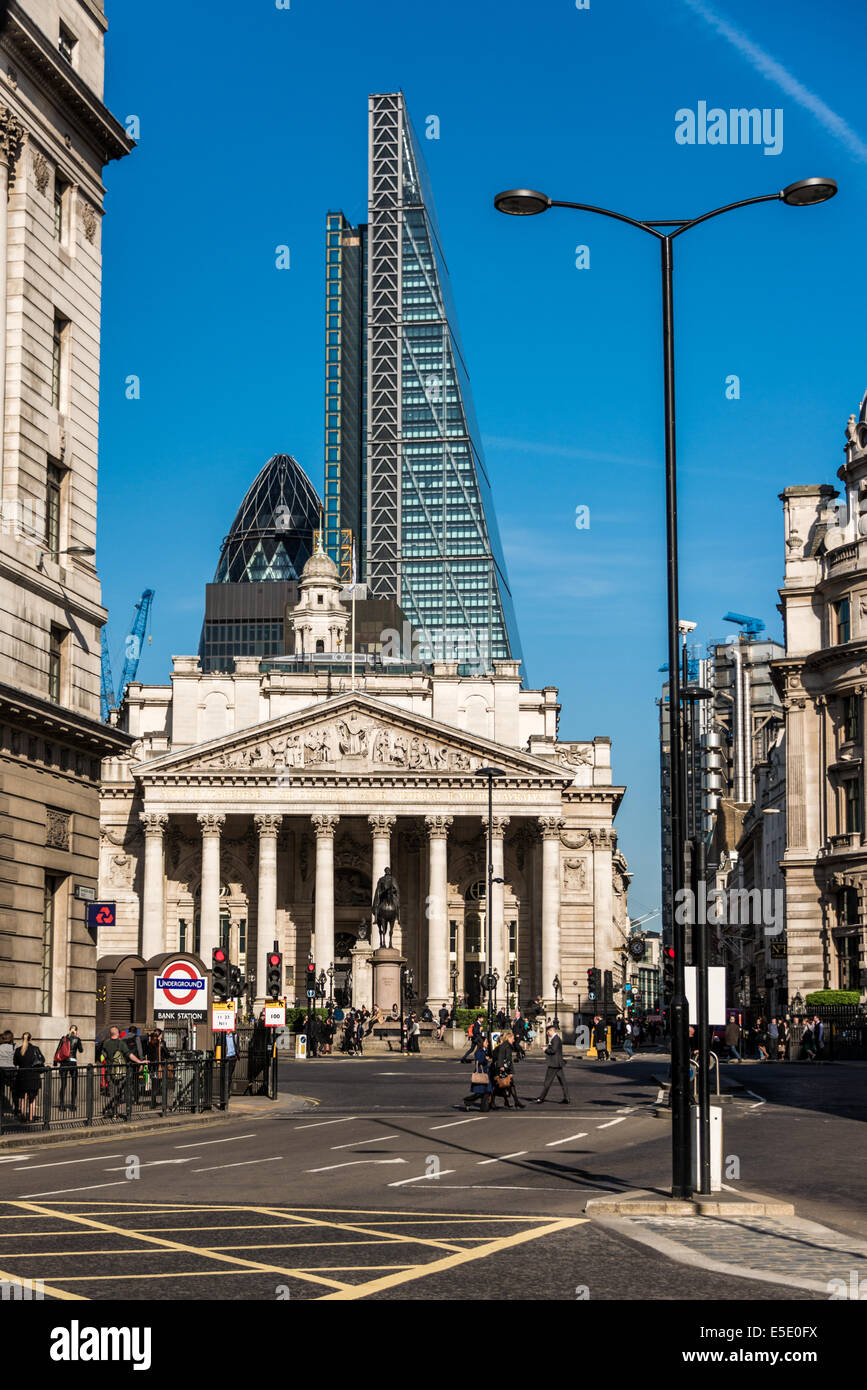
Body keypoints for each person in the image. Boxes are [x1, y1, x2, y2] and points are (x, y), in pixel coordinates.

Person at [100, 1024, 143, 1119]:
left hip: (110, 1071)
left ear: (110, 1034)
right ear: (118, 1033)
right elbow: (129, 1055)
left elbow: (103, 1056)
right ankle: (121, 1112)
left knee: (113, 1092)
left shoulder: (106, 1043)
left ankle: (113, 1112)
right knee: (120, 1093)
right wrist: (139, 1061)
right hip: (121, 1071)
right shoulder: (121, 1043)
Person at [13, 1032, 44, 1122]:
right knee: (32, 1099)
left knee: (22, 1098)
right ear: (31, 1039)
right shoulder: (35, 1049)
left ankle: (23, 1117)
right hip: (33, 1076)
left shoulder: (18, 1050)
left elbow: (15, 1062)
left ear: (22, 1039)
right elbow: (42, 1060)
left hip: (22, 1076)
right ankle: (31, 1117)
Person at [534, 1024, 570, 1103]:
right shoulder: (555, 1038)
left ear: (551, 1031)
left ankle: (541, 1098)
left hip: (554, 1064)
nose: (547, 1034)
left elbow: (553, 1050)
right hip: (558, 1063)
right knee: (562, 1081)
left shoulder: (555, 1039)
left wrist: (545, 1049)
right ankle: (567, 1098)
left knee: (547, 1082)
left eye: (548, 1032)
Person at [490, 1030, 524, 1109]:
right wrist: (501, 1066)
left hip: (505, 1068)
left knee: (508, 1085)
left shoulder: (507, 1045)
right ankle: (493, 1102)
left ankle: (515, 1101)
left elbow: (508, 1059)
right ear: (509, 1038)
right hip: (503, 1069)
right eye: (513, 1038)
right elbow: (501, 1056)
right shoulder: (505, 1046)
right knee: (499, 1085)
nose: (514, 1040)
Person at [54, 1023, 83, 1111]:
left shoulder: (63, 1038)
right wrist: (78, 1039)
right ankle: (72, 1105)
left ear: (69, 1030)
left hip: (64, 1063)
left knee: (63, 1085)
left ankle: (62, 1105)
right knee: (74, 1084)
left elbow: (58, 1049)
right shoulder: (77, 1039)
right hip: (73, 1063)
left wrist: (55, 1062)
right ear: (76, 1031)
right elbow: (81, 1050)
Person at [461, 1035, 492, 1112]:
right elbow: (478, 1060)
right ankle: (469, 1101)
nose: (487, 1043)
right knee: (481, 1092)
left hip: (484, 1072)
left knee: (485, 1091)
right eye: (486, 1042)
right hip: (481, 1073)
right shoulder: (479, 1051)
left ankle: (484, 1107)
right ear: (482, 1042)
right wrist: (485, 1059)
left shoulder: (484, 1050)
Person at [0, 1028, 14, 1113]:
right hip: (11, 1070)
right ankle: (16, 1109)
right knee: (14, 1091)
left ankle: (1, 1110)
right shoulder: (14, 1047)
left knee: (1, 1091)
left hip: (1, 1069)